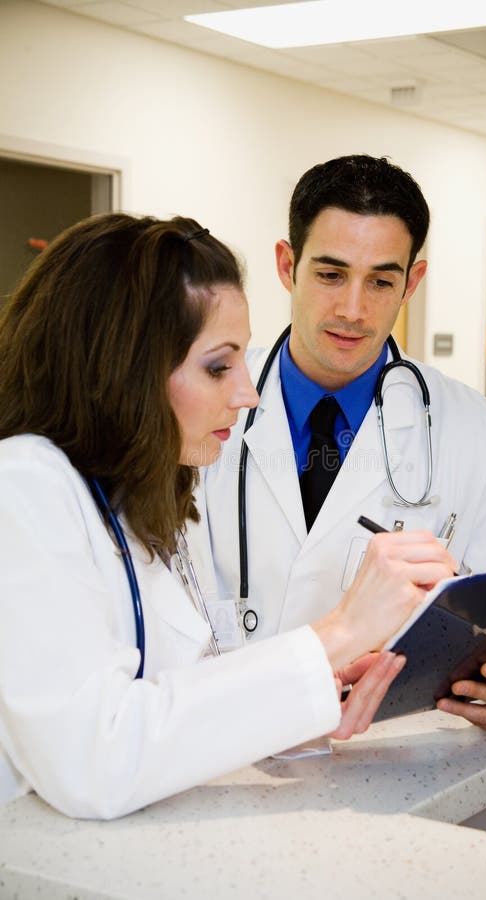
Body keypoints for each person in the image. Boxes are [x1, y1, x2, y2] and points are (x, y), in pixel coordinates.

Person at [0, 212, 455, 820]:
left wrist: (317, 693)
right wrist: (338, 630)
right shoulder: (23, 484)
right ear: (123, 368)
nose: (248, 393)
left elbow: (176, 702)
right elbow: (94, 759)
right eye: (219, 366)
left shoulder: (137, 498)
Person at [195, 154, 486, 736]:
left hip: (393, 760)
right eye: (331, 274)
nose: (353, 310)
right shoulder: (197, 406)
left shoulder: (475, 431)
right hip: (221, 749)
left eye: (381, 281)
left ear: (412, 281)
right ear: (287, 265)